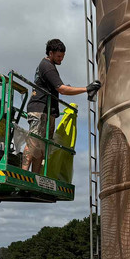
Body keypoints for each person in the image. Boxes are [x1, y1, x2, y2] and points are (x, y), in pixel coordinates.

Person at [23, 38, 100, 173]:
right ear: (51, 53)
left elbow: (58, 88)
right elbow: (62, 89)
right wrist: (87, 89)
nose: (61, 60)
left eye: (63, 57)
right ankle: (23, 172)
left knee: (42, 147)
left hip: (47, 111)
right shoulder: (47, 66)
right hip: (39, 109)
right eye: (59, 56)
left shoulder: (49, 66)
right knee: (34, 142)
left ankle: (34, 176)